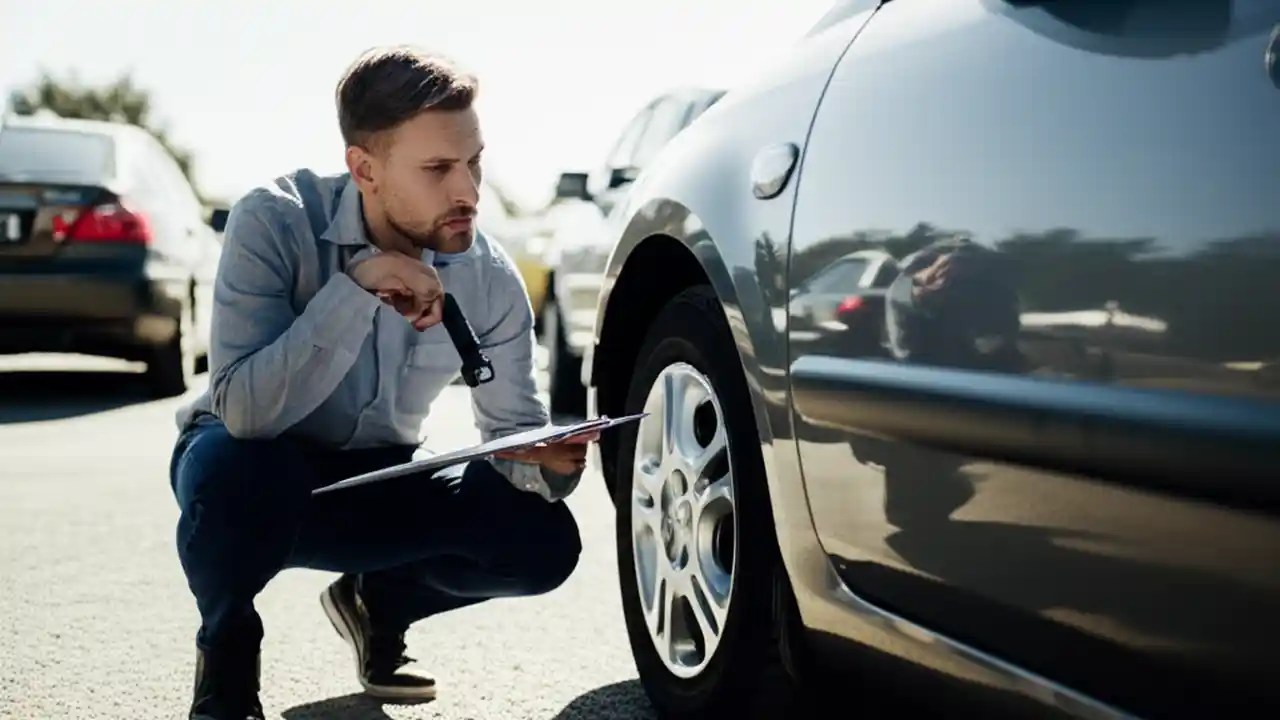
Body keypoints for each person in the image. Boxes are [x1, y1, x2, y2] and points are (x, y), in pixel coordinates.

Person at [169, 46, 591, 720]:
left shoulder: (487, 275)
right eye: (438, 169)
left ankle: (379, 602)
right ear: (364, 169)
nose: (469, 192)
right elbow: (245, 411)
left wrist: (547, 463)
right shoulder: (273, 222)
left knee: (543, 542)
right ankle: (227, 655)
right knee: (235, 471)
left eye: (475, 162)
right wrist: (356, 289)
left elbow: (515, 434)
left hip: (383, 481)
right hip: (259, 471)